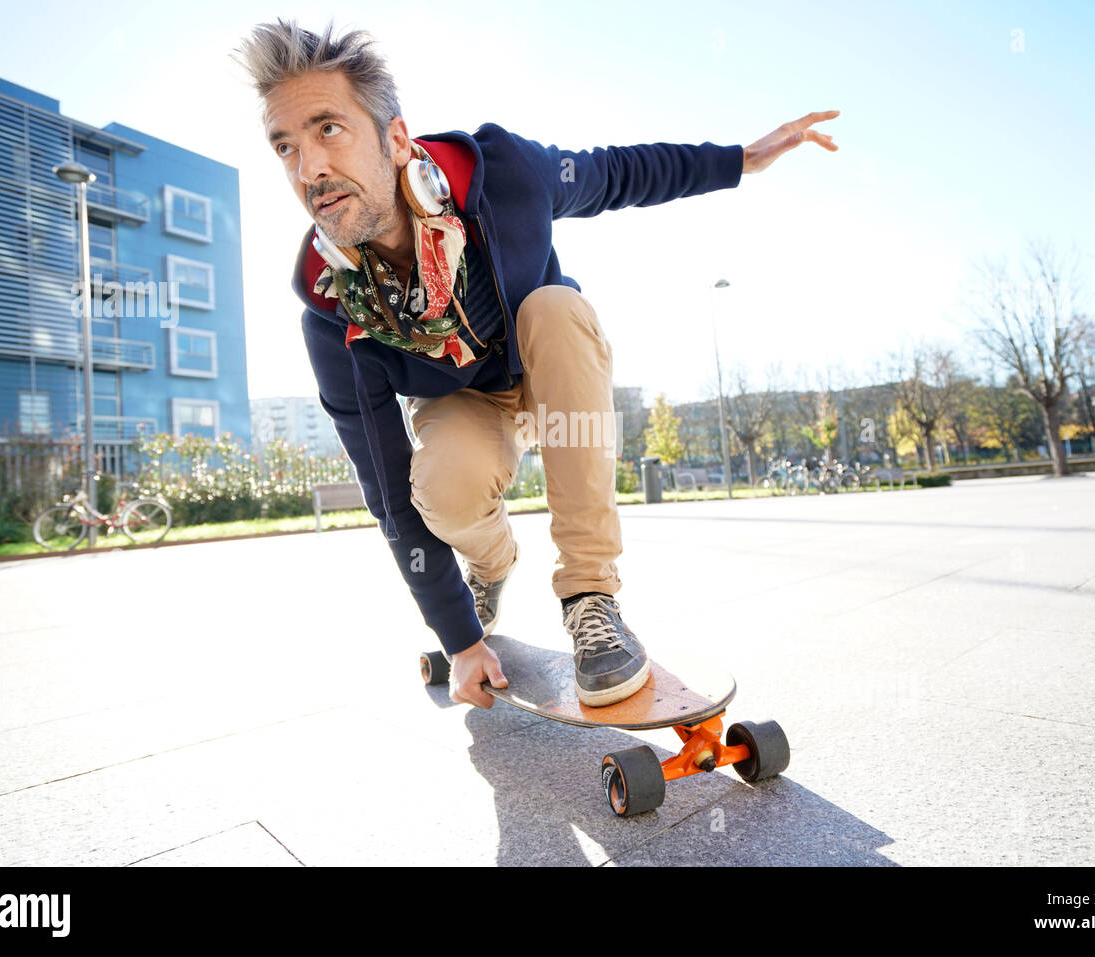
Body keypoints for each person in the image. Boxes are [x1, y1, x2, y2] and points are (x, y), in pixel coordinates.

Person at [232, 19, 839, 710]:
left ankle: (591, 598)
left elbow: (616, 173)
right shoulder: (331, 306)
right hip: (463, 405)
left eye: (327, 130)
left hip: (548, 369)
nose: (308, 167)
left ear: (396, 139)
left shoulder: (503, 175)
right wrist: (460, 636)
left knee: (554, 307)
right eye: (286, 147)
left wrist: (739, 160)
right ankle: (491, 564)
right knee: (440, 481)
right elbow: (387, 492)